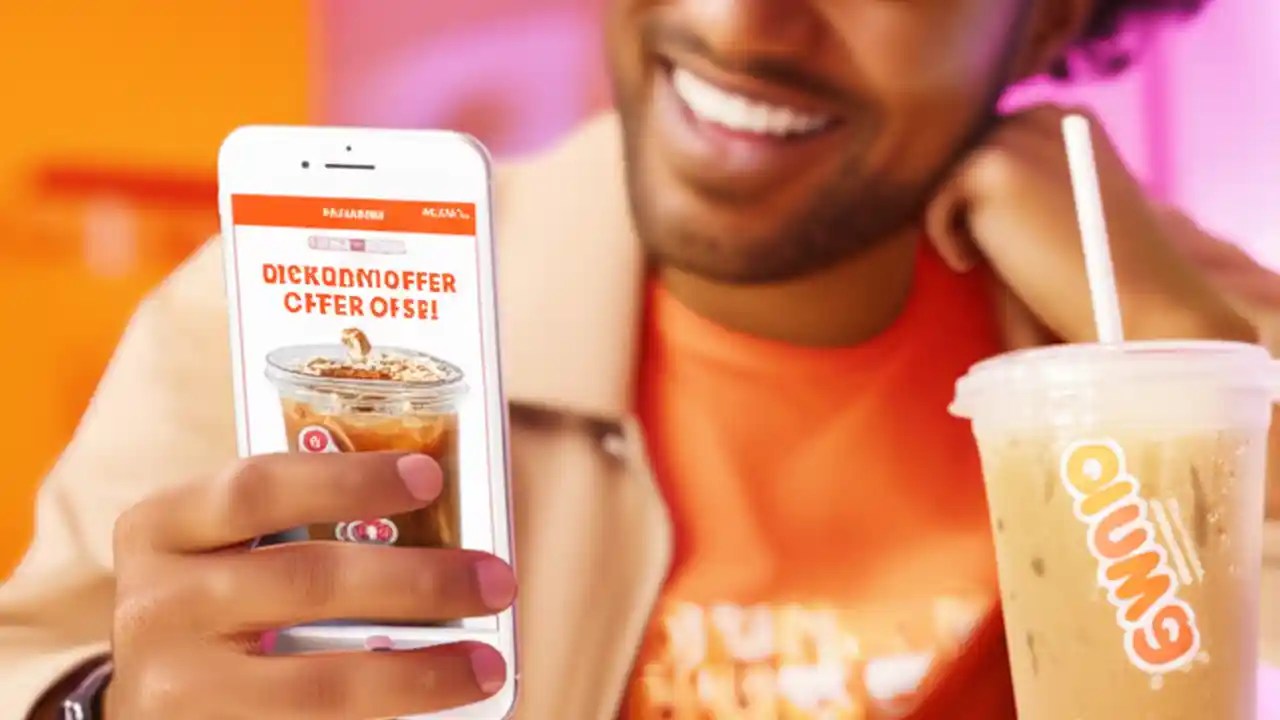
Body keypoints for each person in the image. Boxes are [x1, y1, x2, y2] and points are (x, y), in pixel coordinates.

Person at [3, 0, 1279, 717]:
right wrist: (98, 710)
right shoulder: (278, 333)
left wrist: (1175, 334)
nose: (741, 19)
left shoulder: (1182, 330)